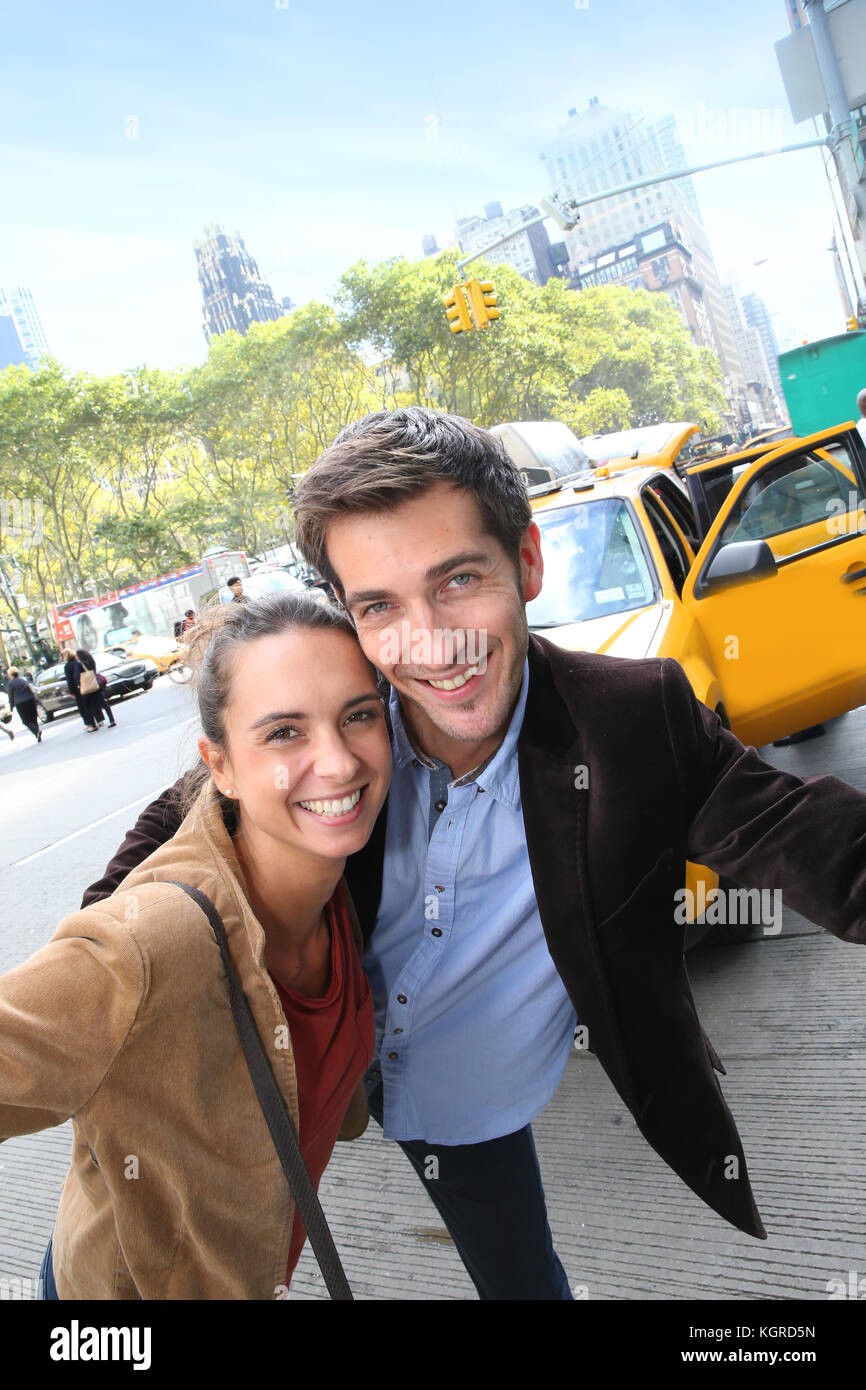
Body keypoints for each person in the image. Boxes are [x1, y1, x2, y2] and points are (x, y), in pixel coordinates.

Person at [84, 407, 866, 1301]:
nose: (432, 645)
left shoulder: (635, 720)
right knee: (110, 1270)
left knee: (525, 1285)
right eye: (380, 605)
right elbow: (160, 848)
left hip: (466, 1103)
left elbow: (825, 847)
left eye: (458, 579)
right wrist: (108, 981)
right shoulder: (336, 724)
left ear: (527, 563)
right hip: (289, 1070)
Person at [0, 592, 392, 1299]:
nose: (336, 763)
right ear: (220, 766)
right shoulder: (153, 941)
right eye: (283, 734)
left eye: (358, 715)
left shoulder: (342, 879)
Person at [5, 666, 43, 743]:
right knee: (33, 718)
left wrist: (11, 707)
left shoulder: (11, 683)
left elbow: (11, 696)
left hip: (20, 703)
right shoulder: (24, 679)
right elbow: (30, 688)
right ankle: (37, 733)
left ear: (10, 674)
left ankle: (36, 731)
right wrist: (35, 699)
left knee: (25, 721)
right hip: (30, 699)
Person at [75, 648, 107, 731]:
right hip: (94, 684)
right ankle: (100, 720)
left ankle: (93, 725)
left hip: (86, 686)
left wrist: (78, 684)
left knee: (87, 706)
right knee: (96, 703)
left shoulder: (80, 664)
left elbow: (77, 676)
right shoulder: (91, 660)